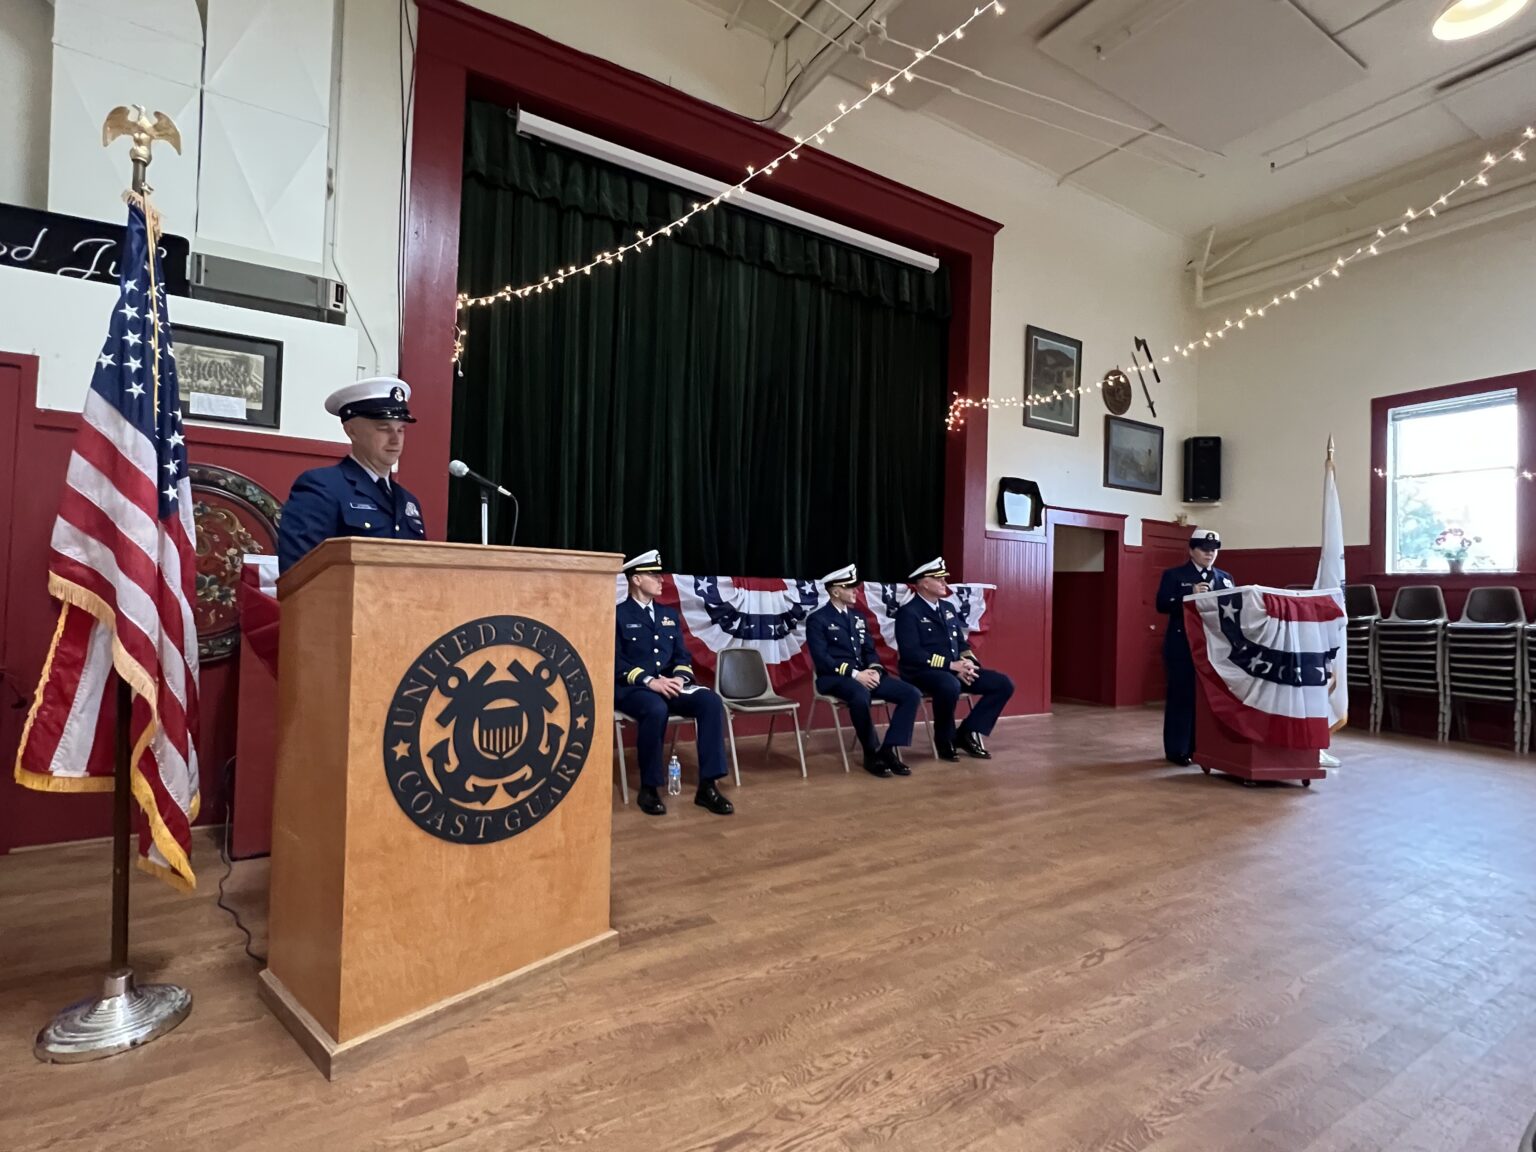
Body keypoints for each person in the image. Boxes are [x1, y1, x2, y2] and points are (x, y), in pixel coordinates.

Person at [614, 550, 734, 817]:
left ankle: (708, 786)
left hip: (668, 684)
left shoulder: (668, 615)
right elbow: (613, 661)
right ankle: (650, 787)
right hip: (631, 688)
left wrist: (680, 678)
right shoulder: (618, 615)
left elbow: (681, 655)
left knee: (710, 701)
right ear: (635, 579)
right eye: (653, 575)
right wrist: (648, 680)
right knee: (655, 708)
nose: (661, 580)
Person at [277, 377, 427, 572]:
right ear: (351, 431)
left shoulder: (408, 502)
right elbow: (300, 572)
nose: (395, 439)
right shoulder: (322, 487)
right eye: (384, 429)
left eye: (401, 430)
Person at [805, 564, 921, 777]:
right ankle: (871, 753)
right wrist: (855, 674)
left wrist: (875, 669)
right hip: (834, 677)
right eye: (850, 588)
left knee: (911, 694)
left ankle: (888, 749)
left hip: (865, 674)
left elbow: (869, 649)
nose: (855, 591)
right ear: (835, 591)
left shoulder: (857, 617)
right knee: (859, 694)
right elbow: (822, 659)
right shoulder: (818, 619)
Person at [895, 558, 1014, 762]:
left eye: (944, 579)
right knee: (948, 685)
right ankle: (944, 739)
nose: (944, 583)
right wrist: (951, 666)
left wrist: (968, 664)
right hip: (921, 672)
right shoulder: (908, 612)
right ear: (923, 583)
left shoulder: (948, 608)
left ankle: (966, 733)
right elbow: (912, 654)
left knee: (1003, 684)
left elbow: (961, 643)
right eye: (938, 579)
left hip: (955, 668)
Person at [1156, 527, 1235, 766]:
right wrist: (1188, 595)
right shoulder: (1175, 576)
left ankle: (1202, 748)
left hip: (1215, 649)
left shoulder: (1225, 578)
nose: (1209, 555)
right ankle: (1178, 750)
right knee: (1182, 698)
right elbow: (1161, 604)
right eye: (1204, 550)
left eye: (1213, 551)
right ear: (1192, 550)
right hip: (1183, 647)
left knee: (1209, 700)